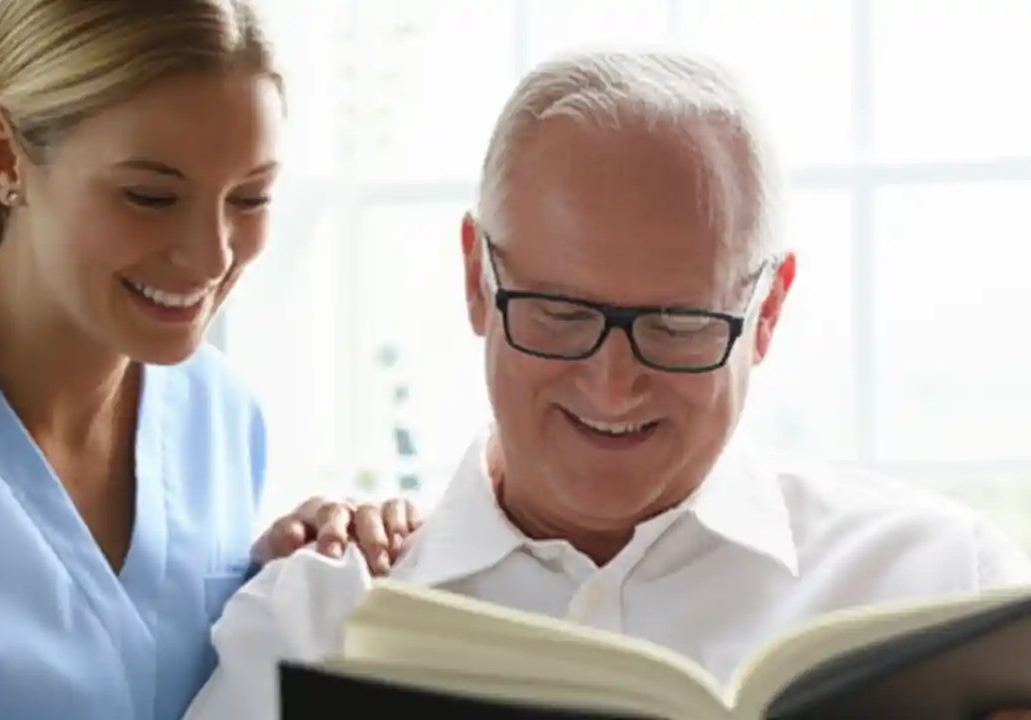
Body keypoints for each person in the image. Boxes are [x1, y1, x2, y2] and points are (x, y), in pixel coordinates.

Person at [183, 49, 1031, 719]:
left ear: (766, 311)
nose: (614, 385)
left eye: (676, 324)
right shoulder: (315, 617)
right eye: (558, 312)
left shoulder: (943, 582)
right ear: (478, 280)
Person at [0, 1, 420, 719]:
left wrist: (303, 584)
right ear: (4, 158)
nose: (213, 255)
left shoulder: (222, 417)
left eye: (250, 198)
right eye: (150, 196)